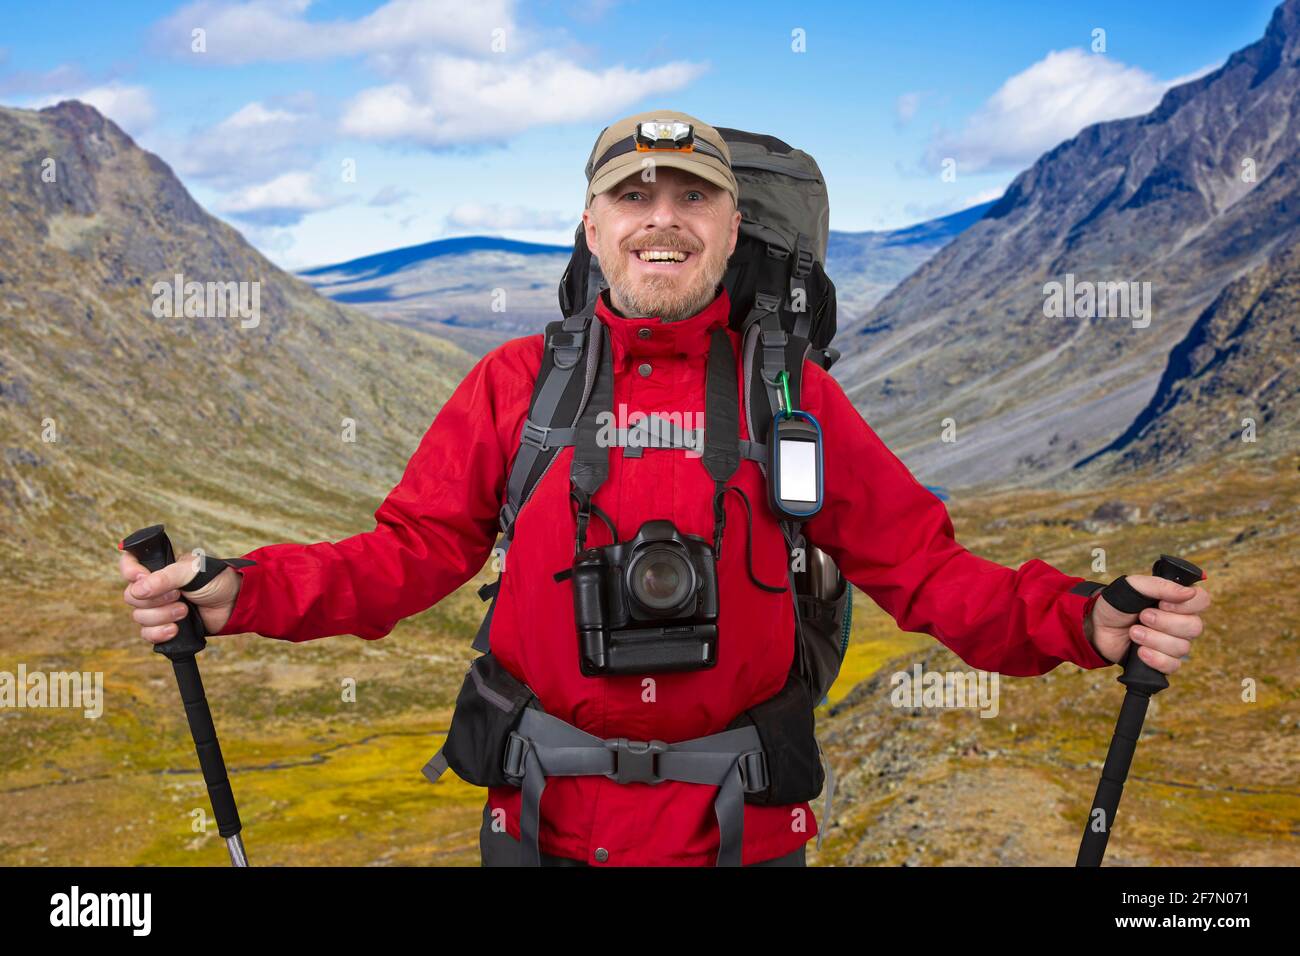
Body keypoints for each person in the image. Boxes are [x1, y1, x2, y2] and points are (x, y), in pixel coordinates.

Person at [118, 110, 1211, 867]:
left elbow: (924, 570)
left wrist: (1082, 619)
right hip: (540, 826)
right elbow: (404, 555)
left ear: (731, 231)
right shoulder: (517, 389)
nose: (661, 216)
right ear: (592, 228)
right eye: (631, 195)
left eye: (693, 195)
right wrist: (238, 590)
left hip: (741, 832)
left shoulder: (792, 400)